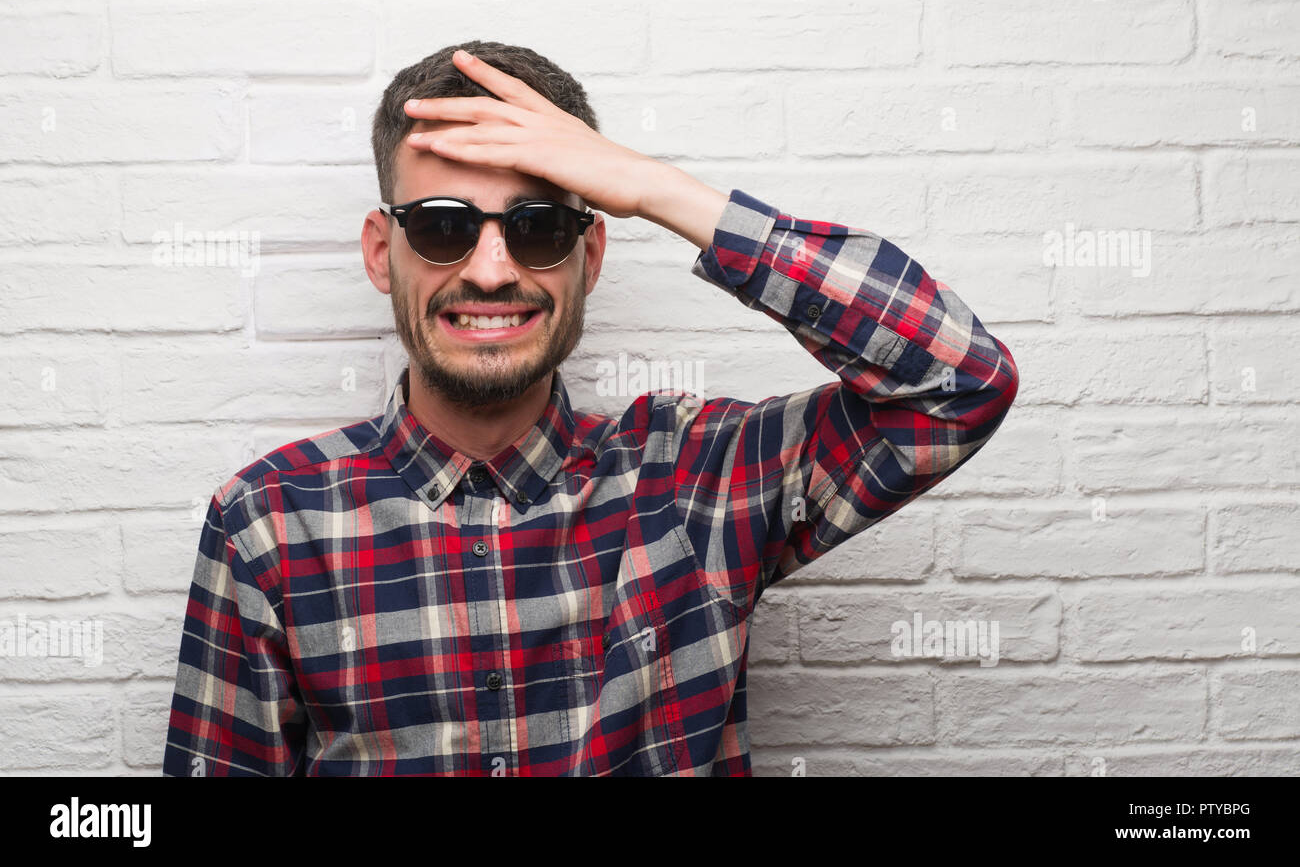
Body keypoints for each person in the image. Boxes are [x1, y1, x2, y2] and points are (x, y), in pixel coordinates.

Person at [162, 40, 1019, 776]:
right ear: (383, 253)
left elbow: (959, 383)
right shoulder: (270, 523)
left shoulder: (696, 482)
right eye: (443, 227)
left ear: (591, 252)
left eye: (537, 226)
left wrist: (655, 189)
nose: (492, 270)